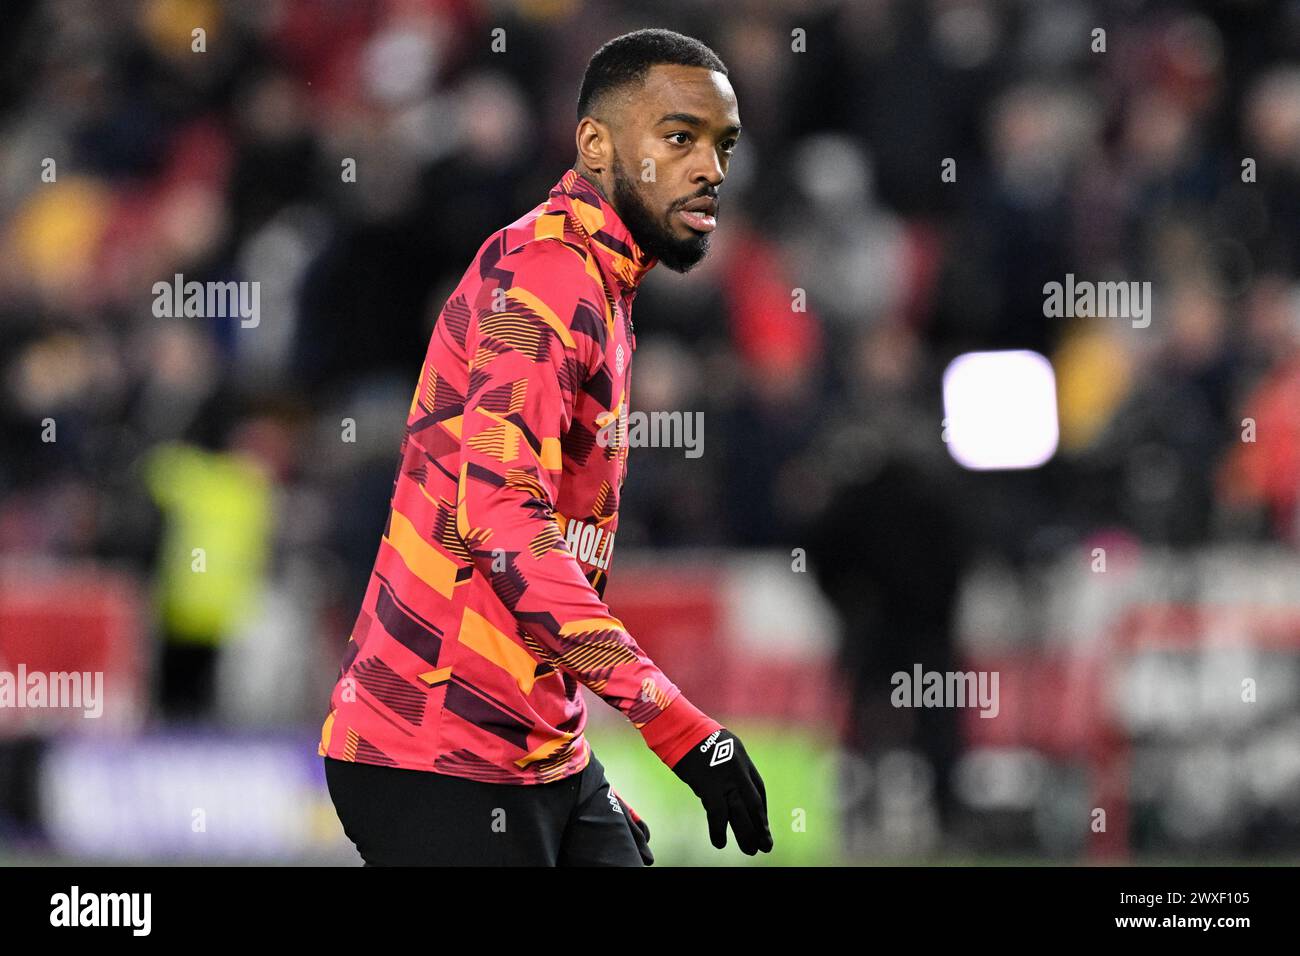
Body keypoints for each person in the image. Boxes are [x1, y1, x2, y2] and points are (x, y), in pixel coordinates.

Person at [319, 29, 771, 866]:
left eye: (723, 144)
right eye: (680, 138)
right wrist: (675, 725)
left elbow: (550, 552)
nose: (711, 168)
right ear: (596, 144)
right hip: (434, 751)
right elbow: (498, 520)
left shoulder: (600, 278)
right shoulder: (546, 279)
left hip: (535, 752)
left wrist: (580, 781)